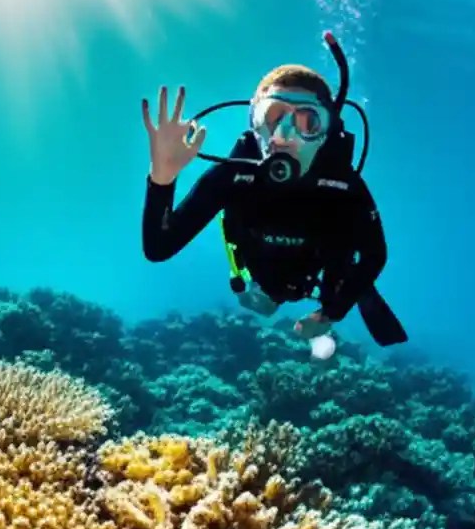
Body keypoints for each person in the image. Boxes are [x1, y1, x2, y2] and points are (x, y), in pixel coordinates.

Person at [140, 31, 408, 347]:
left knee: (348, 269)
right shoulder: (233, 175)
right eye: (272, 117)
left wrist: (331, 314)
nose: (284, 135)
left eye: (308, 122)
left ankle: (328, 298)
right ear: (254, 124)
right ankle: (270, 295)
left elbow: (375, 255)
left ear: (326, 132)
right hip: (261, 273)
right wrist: (162, 179)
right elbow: (158, 248)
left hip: (321, 274)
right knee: (268, 292)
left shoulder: (343, 188)